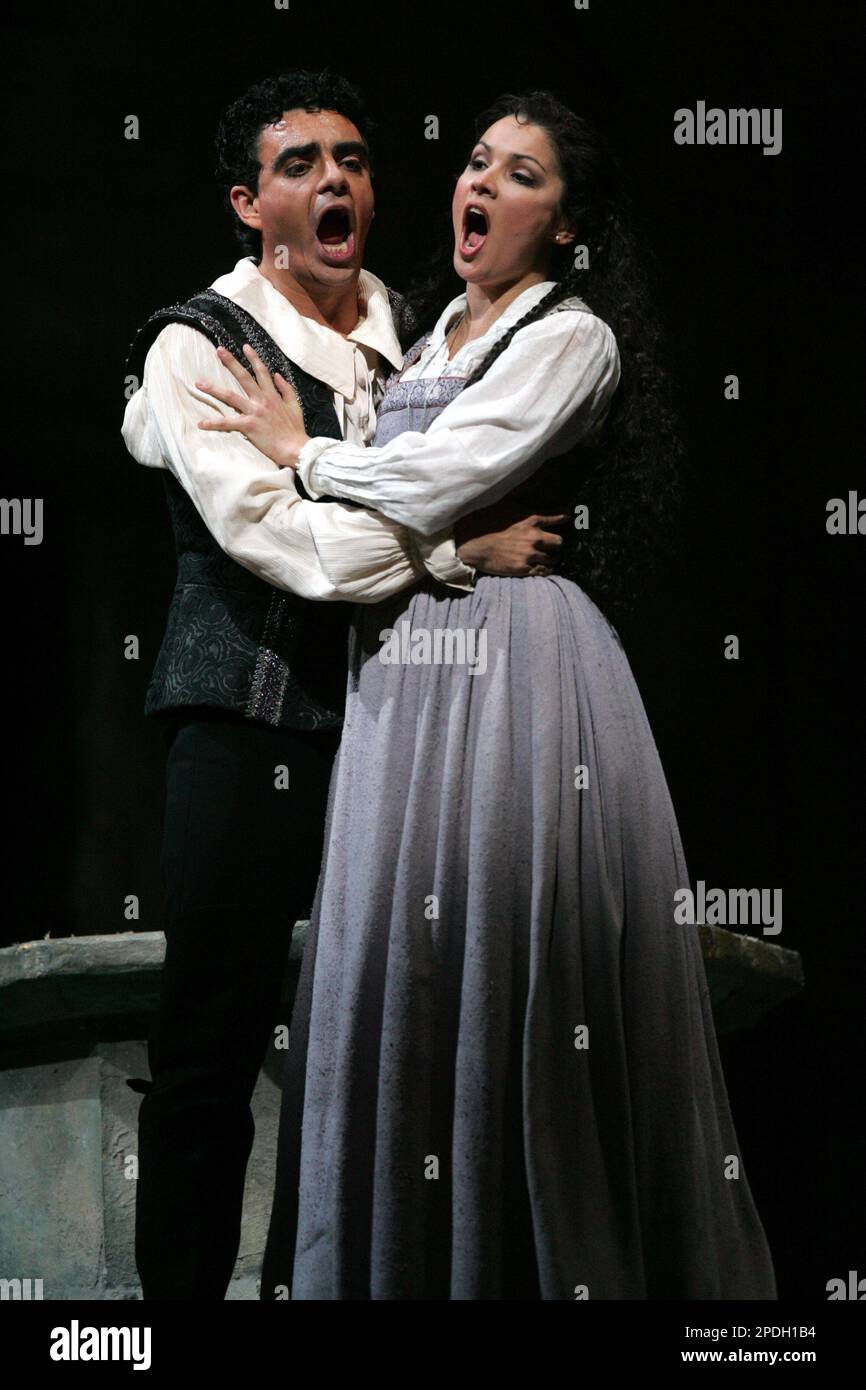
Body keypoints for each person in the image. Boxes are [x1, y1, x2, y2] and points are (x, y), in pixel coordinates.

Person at [197, 90, 778, 1301]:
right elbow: (403, 505)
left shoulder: (573, 338)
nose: (480, 185)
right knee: (387, 975)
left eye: (521, 175)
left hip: (517, 668)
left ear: (565, 227)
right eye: (475, 162)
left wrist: (300, 452)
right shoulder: (418, 338)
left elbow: (436, 471)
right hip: (398, 670)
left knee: (507, 971)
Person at [120, 70, 561, 1301]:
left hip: (399, 724)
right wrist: (449, 551)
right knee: (211, 1040)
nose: (335, 181)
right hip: (247, 716)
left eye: (353, 160)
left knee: (395, 1028)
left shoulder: (417, 329)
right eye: (301, 163)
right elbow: (288, 547)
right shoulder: (196, 344)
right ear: (248, 203)